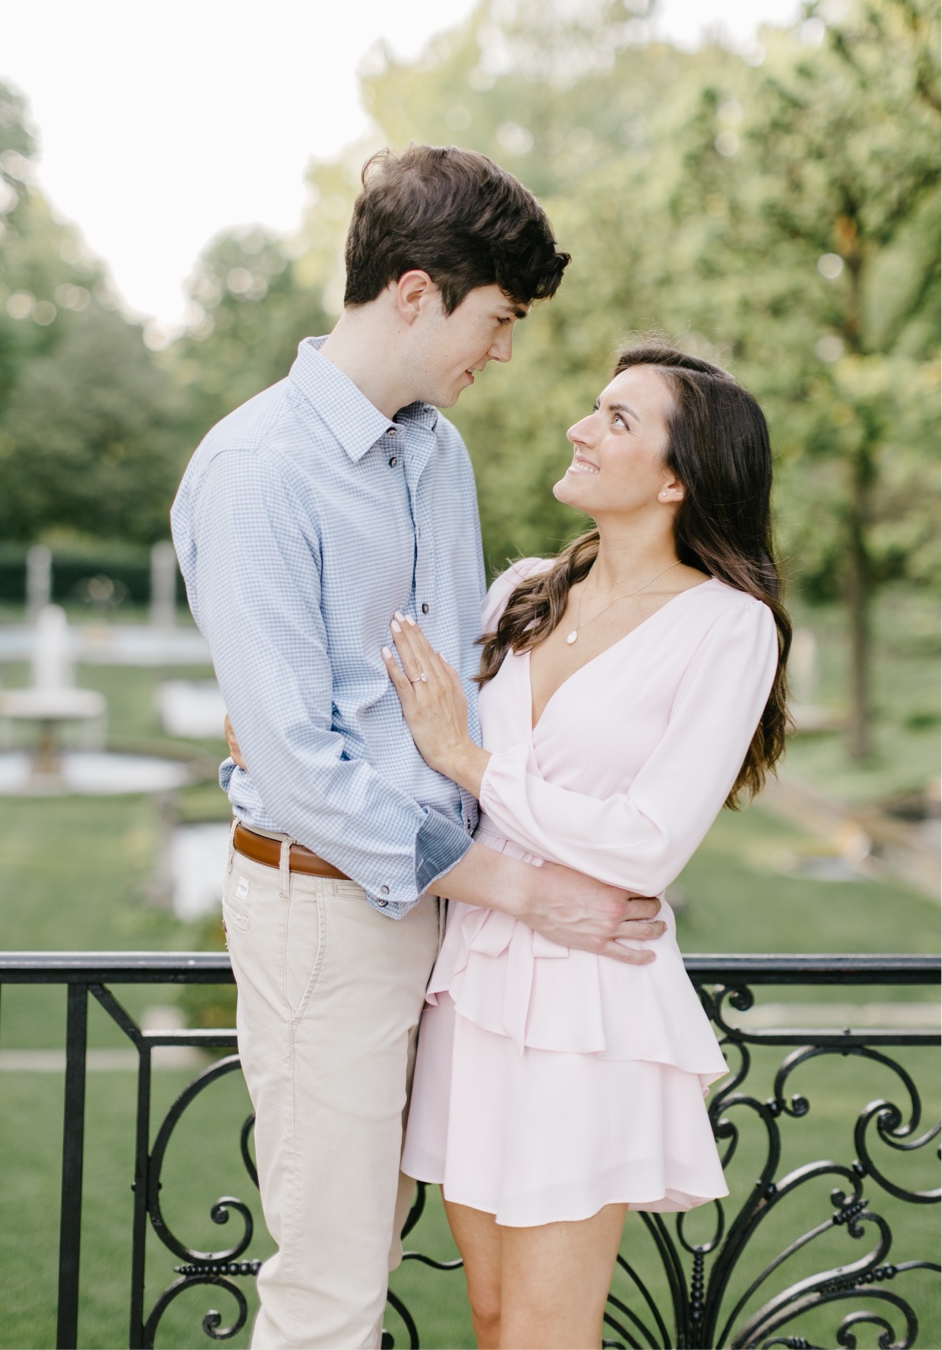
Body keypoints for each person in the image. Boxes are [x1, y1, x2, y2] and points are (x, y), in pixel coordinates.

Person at [171, 144, 667, 1350]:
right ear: (411, 291)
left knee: (396, 1239)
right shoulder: (254, 472)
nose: (502, 352)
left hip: (442, 910)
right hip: (327, 909)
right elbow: (298, 762)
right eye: (494, 319)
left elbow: (461, 678)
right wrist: (523, 889)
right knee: (332, 1287)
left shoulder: (431, 448)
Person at [381, 344, 791, 1350]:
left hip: (588, 1004)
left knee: (544, 1333)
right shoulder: (521, 591)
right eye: (593, 408)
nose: (580, 427)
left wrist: (469, 762)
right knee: (488, 1316)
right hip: (469, 981)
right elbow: (409, 726)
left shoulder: (728, 630)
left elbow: (646, 847)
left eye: (616, 419)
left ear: (675, 478)